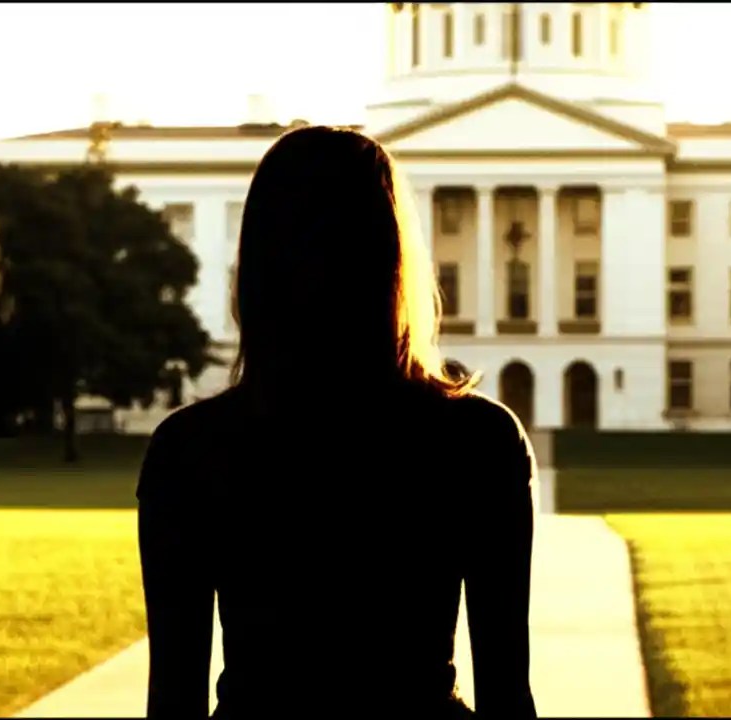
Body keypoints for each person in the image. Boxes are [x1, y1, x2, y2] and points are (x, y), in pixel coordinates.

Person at [136, 125, 538, 719]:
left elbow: (173, 701)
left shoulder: (190, 449)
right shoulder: (479, 440)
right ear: (393, 257)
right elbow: (508, 695)